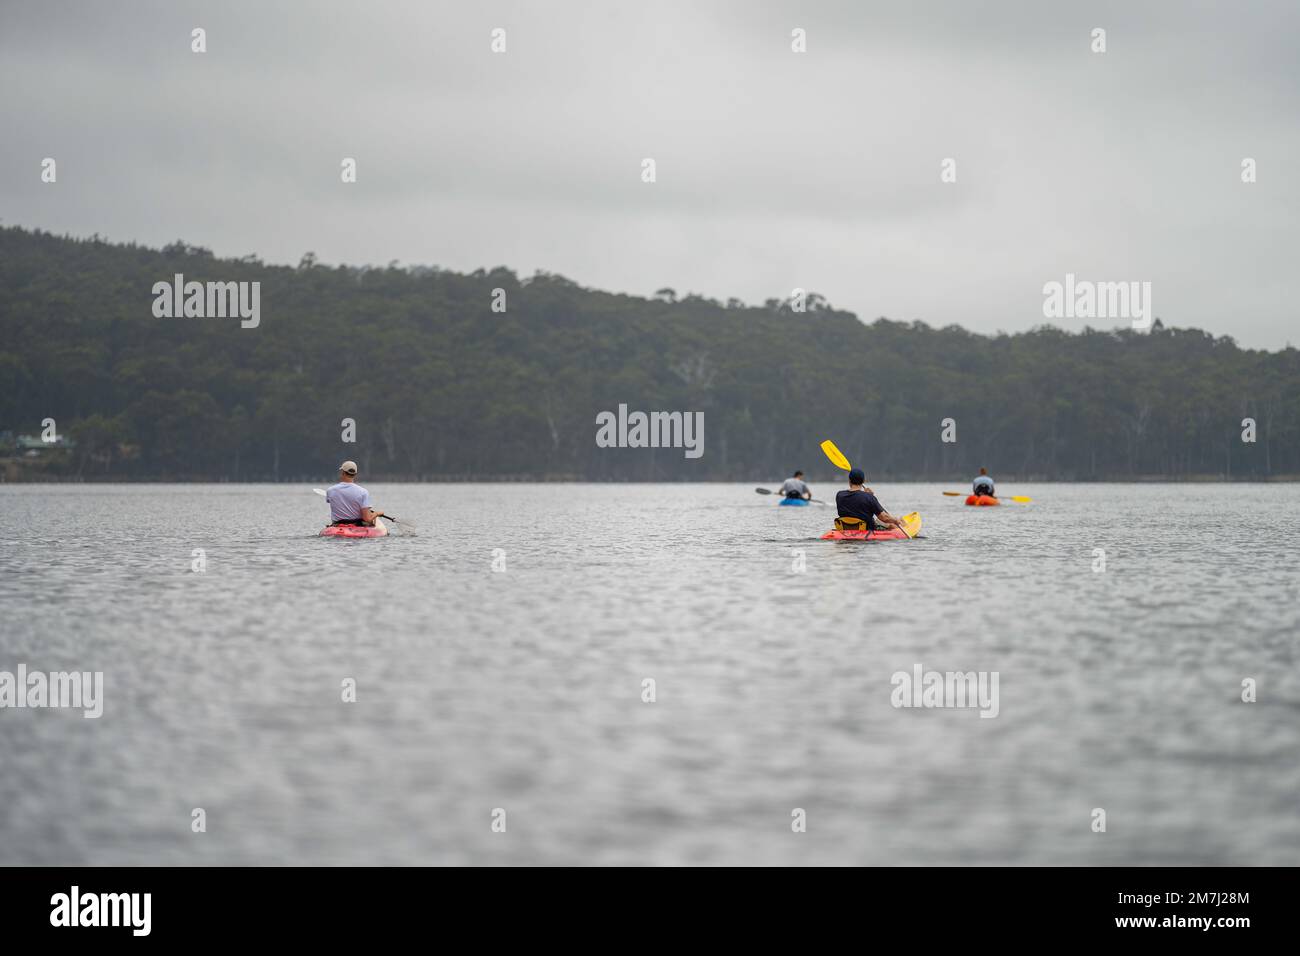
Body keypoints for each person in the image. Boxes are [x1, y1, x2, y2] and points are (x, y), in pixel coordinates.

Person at [835, 468, 909, 534]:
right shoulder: (868, 497)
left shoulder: (840, 495)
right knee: (892, 524)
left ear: (849, 480)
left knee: (882, 521)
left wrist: (868, 495)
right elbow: (884, 518)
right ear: (863, 480)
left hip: (845, 527)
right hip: (867, 529)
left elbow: (855, 500)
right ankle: (906, 526)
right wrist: (895, 520)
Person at [325, 460, 386, 526]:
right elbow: (367, 519)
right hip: (357, 525)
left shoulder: (330, 490)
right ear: (355, 474)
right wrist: (377, 513)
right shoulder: (363, 492)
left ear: (343, 472)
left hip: (337, 525)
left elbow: (330, 500)